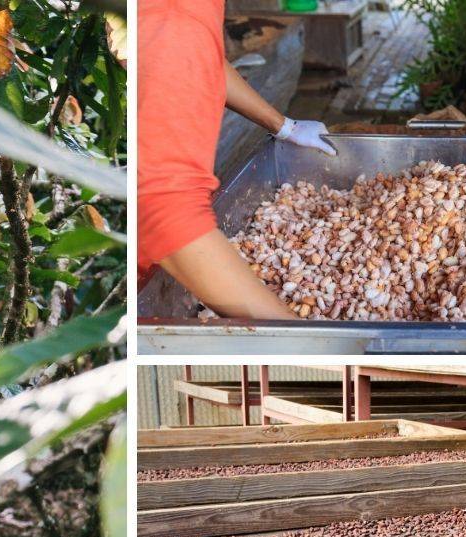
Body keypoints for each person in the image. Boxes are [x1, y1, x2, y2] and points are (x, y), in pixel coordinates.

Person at [139, 0, 337, 319]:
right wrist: (302, 340)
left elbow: (204, 61)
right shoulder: (174, 20)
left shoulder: (187, 16)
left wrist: (285, 126)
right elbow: (167, 220)